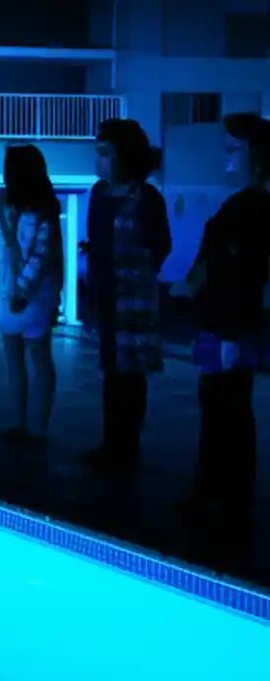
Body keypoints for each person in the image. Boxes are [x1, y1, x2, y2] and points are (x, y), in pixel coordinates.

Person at [181, 112, 270, 542]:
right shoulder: (244, 205)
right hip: (224, 319)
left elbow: (244, 273)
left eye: (235, 149)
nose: (227, 156)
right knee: (222, 406)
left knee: (227, 408)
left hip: (229, 322)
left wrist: (233, 332)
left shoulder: (251, 208)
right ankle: (219, 491)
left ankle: (226, 495)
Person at [81, 119, 171, 472]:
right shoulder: (99, 194)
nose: (98, 161)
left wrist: (137, 271)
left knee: (130, 375)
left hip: (134, 299)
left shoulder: (146, 197)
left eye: (104, 153)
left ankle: (126, 446)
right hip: (107, 296)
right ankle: (111, 442)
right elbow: (97, 242)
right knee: (111, 371)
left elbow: (161, 244)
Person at [0, 144, 63, 442]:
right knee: (38, 358)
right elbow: (43, 256)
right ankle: (34, 427)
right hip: (28, 294)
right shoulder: (43, 210)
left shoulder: (20, 209)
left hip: (18, 293)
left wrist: (19, 290)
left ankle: (25, 424)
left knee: (19, 358)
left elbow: (35, 257)